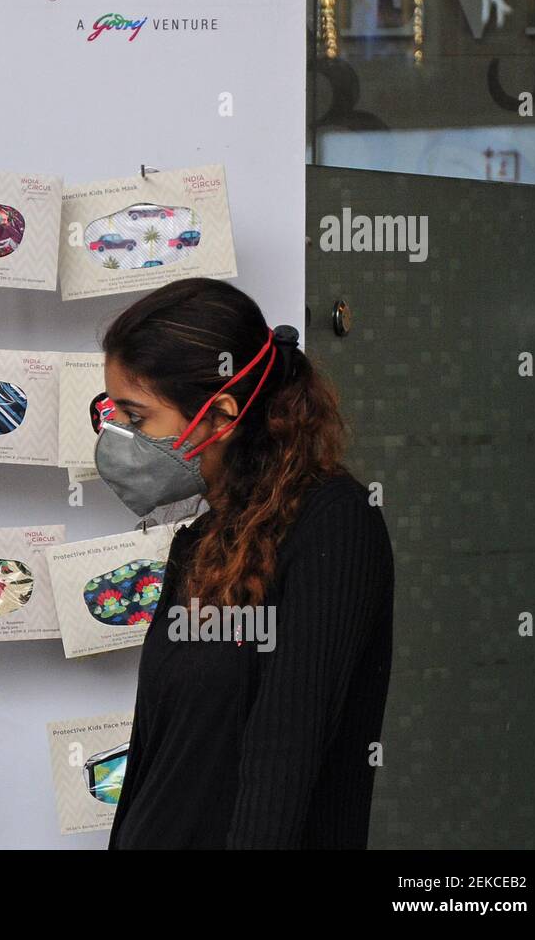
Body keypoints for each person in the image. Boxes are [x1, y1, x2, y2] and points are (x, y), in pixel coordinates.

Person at [93, 278, 394, 849]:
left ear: (221, 413)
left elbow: (286, 757)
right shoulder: (201, 539)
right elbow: (158, 759)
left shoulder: (336, 524)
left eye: (136, 419)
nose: (119, 440)